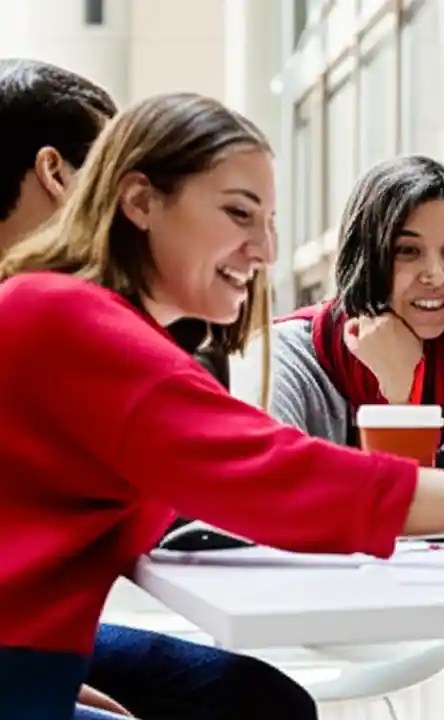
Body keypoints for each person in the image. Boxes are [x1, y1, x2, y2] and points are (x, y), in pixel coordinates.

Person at [0, 92, 444, 719]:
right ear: (140, 201)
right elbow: (286, 477)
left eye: (270, 222)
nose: (265, 250)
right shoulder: (75, 325)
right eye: (239, 213)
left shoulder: (82, 323)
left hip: (44, 655)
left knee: (256, 702)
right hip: (22, 664)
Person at [0, 57, 309, 720]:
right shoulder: (46, 317)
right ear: (61, 175)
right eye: (116, 173)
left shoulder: (81, 319)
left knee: (252, 699)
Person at [255, 155, 444, 472]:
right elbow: (267, 502)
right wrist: (397, 397)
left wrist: (402, 394)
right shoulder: (283, 360)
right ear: (366, 257)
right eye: (407, 251)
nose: (436, 276)